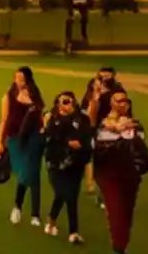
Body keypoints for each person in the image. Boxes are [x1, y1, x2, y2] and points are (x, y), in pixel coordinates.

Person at [92, 89, 148, 254]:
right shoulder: (101, 124)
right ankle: (119, 248)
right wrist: (115, 131)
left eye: (125, 100)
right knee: (116, 211)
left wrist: (125, 131)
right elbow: (98, 145)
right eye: (118, 100)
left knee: (127, 212)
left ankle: (121, 245)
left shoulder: (135, 125)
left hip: (130, 175)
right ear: (111, 103)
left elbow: (140, 146)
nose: (122, 104)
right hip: (108, 174)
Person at [0, 66, 46, 227]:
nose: (18, 81)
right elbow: (4, 120)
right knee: (25, 173)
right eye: (16, 78)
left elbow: (40, 115)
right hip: (15, 139)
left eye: (21, 78)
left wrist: (30, 102)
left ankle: (35, 214)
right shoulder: (8, 97)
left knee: (34, 174)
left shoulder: (34, 96)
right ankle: (17, 206)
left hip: (34, 138)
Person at [43, 90, 91, 244]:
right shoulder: (53, 119)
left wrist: (81, 147)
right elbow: (51, 138)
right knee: (64, 194)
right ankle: (72, 230)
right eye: (62, 101)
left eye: (69, 101)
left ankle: (65, 227)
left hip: (76, 164)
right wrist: (67, 143)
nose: (66, 104)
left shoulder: (82, 119)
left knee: (70, 197)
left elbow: (86, 138)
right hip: (56, 164)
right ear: (57, 104)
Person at [85, 66, 125, 206]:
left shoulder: (118, 91)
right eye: (102, 78)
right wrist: (95, 97)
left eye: (108, 77)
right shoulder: (93, 91)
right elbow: (89, 115)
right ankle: (103, 194)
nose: (105, 81)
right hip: (98, 131)